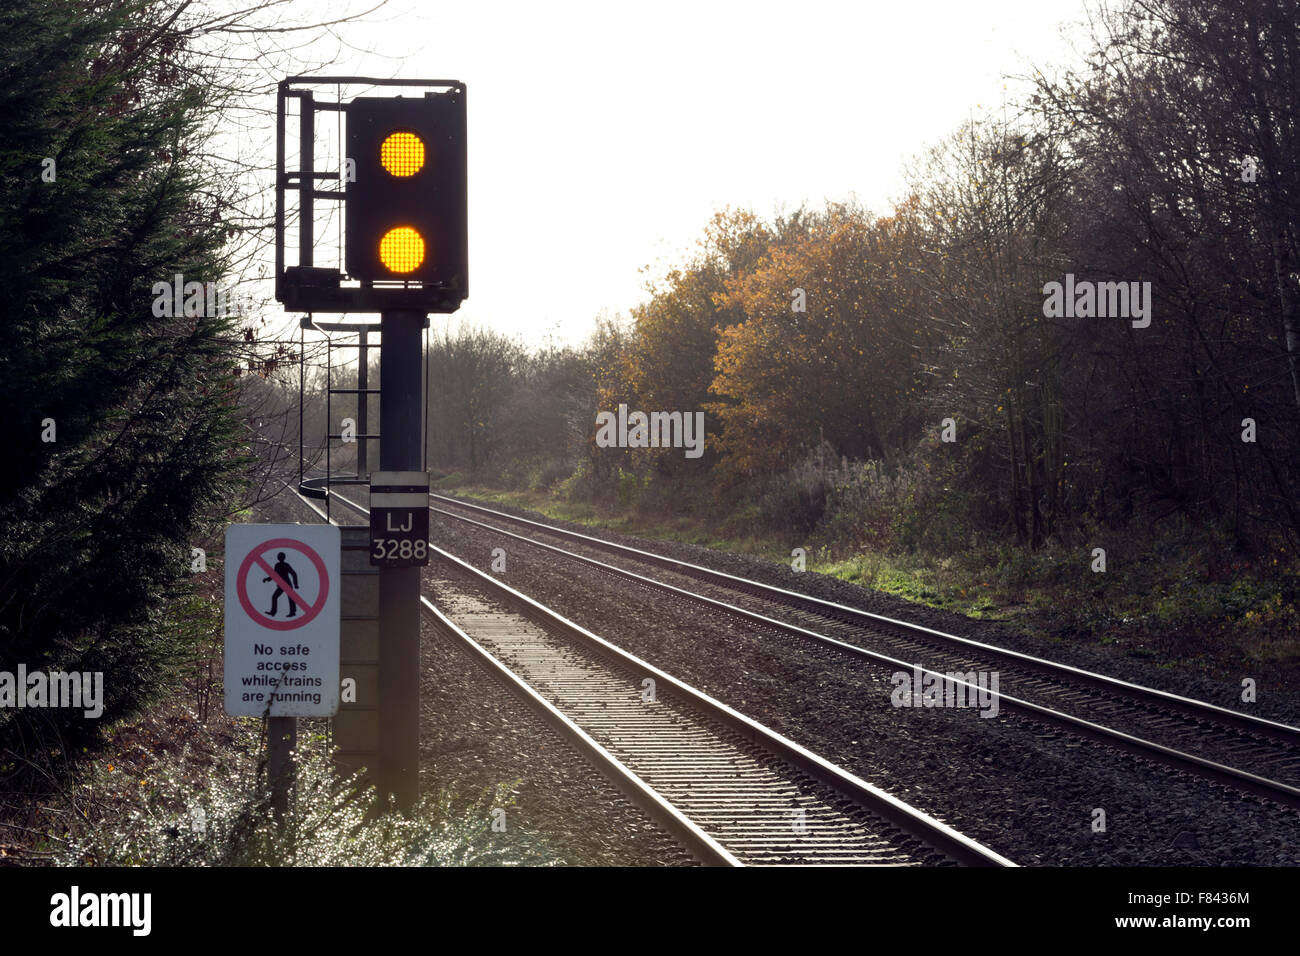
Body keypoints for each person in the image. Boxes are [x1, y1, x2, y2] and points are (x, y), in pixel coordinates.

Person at [264, 552, 299, 617]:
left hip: (287, 584)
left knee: (290, 598)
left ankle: (292, 612)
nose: (279, 557)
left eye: (279, 556)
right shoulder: (277, 565)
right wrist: (267, 579)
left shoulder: (285, 565)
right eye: (278, 556)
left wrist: (295, 584)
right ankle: (273, 612)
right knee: (275, 597)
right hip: (281, 585)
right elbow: (273, 575)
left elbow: (294, 574)